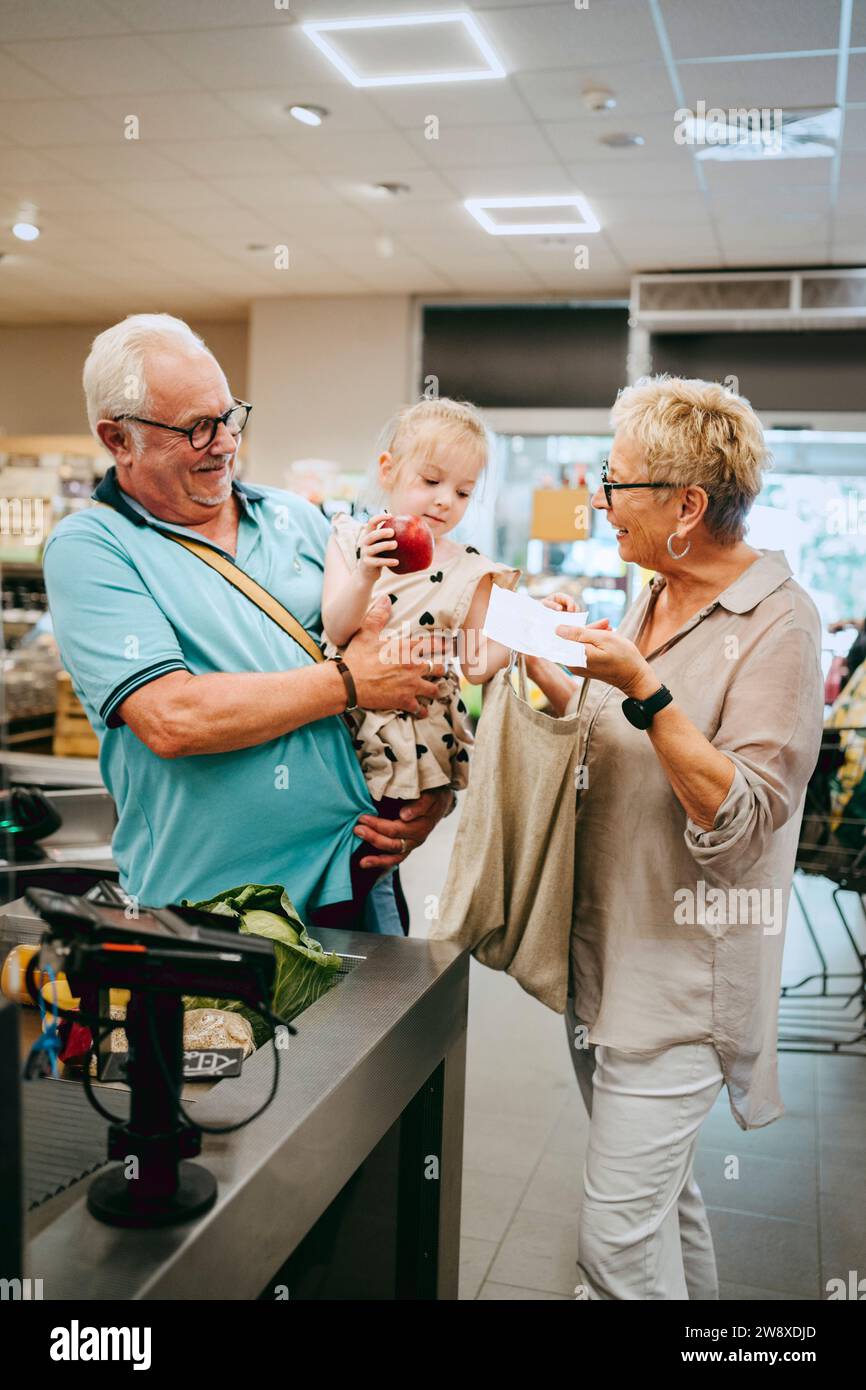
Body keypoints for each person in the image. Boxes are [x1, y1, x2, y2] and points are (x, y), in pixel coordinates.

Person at [525, 376, 824, 1300]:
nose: (599, 503)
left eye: (616, 485)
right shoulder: (653, 592)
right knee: (665, 1202)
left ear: (687, 503)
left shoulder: (780, 622)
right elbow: (624, 745)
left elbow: (741, 819)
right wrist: (559, 677)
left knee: (612, 1246)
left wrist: (644, 687)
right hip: (609, 953)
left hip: (684, 980)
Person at [42, 314, 455, 935]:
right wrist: (348, 682)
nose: (226, 442)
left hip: (355, 883)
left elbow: (392, 657)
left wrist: (431, 792)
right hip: (209, 913)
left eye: (230, 415)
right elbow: (172, 718)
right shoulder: (93, 547)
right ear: (118, 439)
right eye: (197, 428)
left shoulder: (297, 518)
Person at [320, 398, 519, 922]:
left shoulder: (472, 570)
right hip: (336, 724)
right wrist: (366, 572)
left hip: (410, 738)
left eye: (461, 492)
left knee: (369, 862)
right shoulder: (348, 540)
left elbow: (478, 663)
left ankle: (360, 967)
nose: (444, 501)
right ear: (388, 470)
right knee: (328, 856)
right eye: (431, 481)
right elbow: (337, 627)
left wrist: (525, 632)